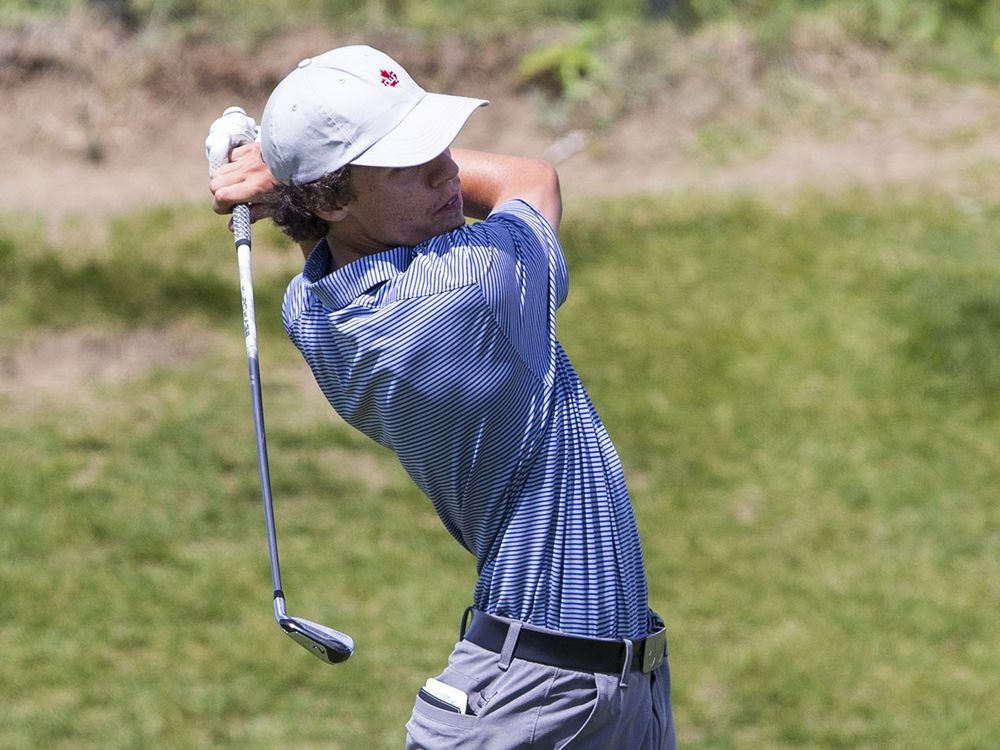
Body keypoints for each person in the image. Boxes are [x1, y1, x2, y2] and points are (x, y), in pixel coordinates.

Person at [209, 44, 675, 749]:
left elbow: (346, 228)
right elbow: (531, 178)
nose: (449, 173)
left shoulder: (311, 307)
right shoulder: (469, 290)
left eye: (442, 145)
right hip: (532, 702)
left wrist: (292, 179)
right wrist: (280, 172)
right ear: (333, 197)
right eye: (410, 164)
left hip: (596, 690)